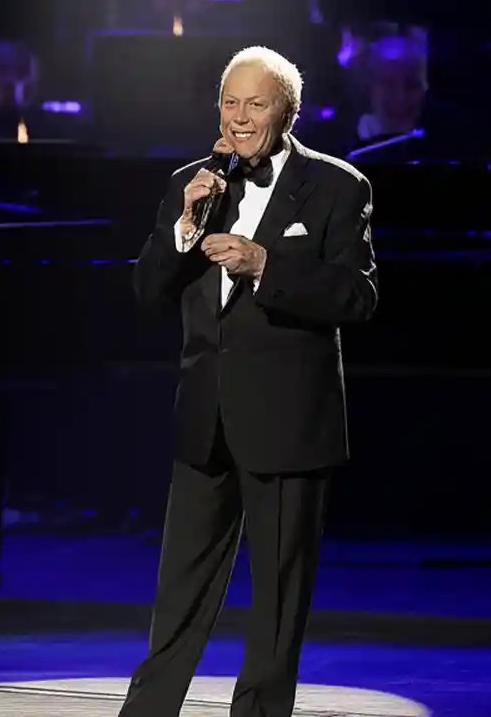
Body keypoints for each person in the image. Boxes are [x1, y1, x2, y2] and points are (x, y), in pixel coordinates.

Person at [121, 46, 378, 717]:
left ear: (288, 111)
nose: (238, 119)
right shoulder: (193, 181)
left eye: (255, 104)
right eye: (228, 103)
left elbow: (358, 296)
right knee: (178, 589)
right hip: (204, 419)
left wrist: (267, 265)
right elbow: (147, 290)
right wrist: (184, 227)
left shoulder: (337, 187)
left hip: (290, 425)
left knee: (276, 602)